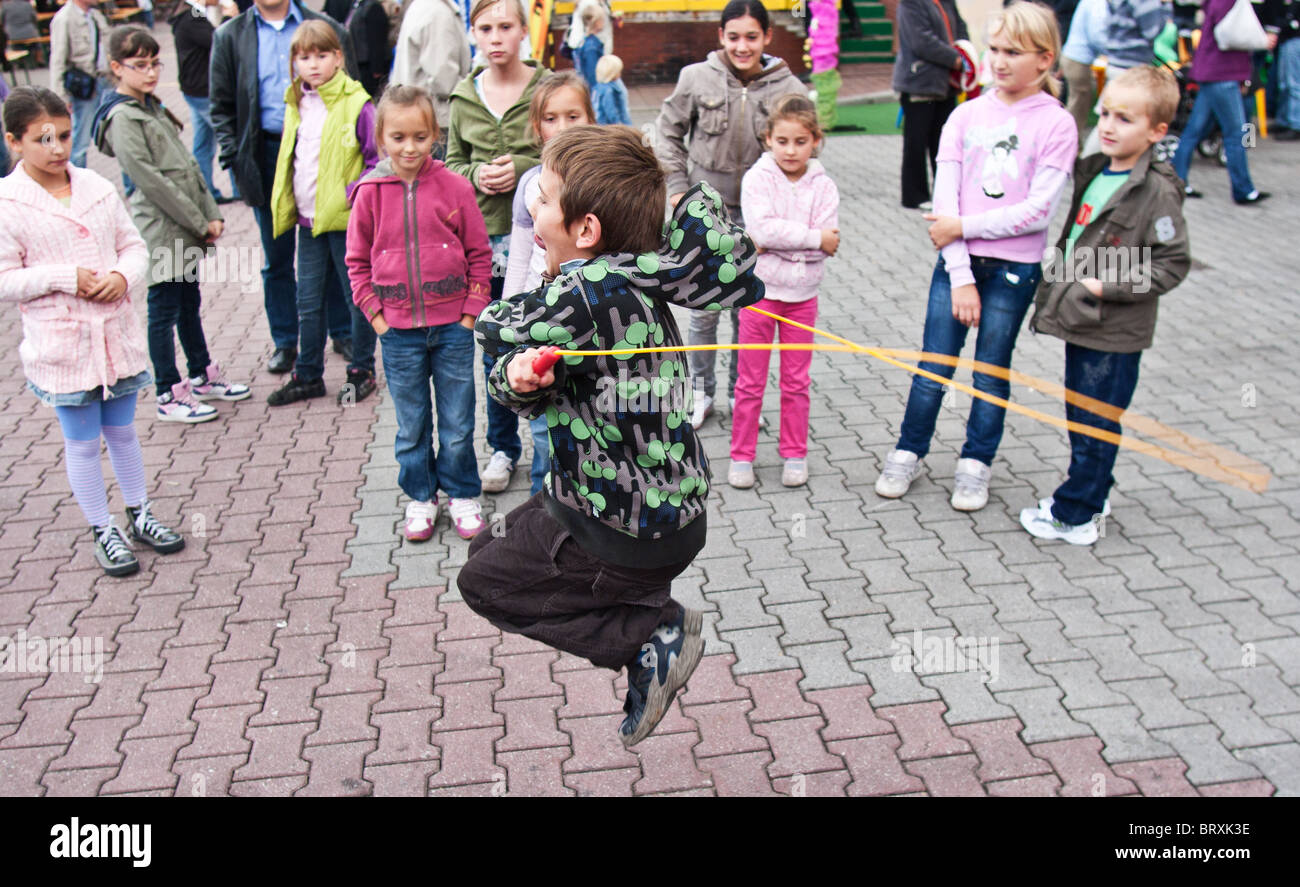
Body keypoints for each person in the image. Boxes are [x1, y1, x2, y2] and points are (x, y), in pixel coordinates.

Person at [461, 125, 765, 748]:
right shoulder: (633, 275)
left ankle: (651, 633)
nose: (531, 212)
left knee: (484, 585)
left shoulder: (585, 288)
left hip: (622, 528)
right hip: (658, 513)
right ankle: (646, 618)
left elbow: (497, 326)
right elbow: (536, 380)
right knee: (487, 552)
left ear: (586, 231)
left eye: (542, 200)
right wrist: (524, 382)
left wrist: (500, 341)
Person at [874, 1, 1077, 512]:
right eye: (995, 49)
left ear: (1045, 59)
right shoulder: (965, 114)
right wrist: (960, 273)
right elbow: (944, 202)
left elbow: (1035, 213)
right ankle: (908, 450)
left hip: (1015, 270)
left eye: (1014, 52)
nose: (1000, 61)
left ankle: (975, 464)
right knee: (933, 366)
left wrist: (963, 227)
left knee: (990, 371)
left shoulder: (1057, 125)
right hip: (957, 265)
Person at [0, 86, 185, 577]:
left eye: (63, 135)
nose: (58, 148)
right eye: (43, 139)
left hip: (114, 336)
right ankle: (103, 527)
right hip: (62, 344)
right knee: (82, 440)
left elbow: (134, 245)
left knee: (123, 432)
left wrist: (123, 276)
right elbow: (5, 279)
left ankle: (140, 512)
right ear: (14, 142)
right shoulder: (7, 203)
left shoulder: (95, 186)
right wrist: (65, 277)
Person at [1022, 66, 1189, 543]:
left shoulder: (1155, 190)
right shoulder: (1098, 170)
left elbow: (1171, 264)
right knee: (1084, 414)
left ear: (1157, 131)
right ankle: (1095, 489)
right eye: (1105, 114)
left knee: (1096, 419)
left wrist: (1101, 286)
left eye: (1125, 119)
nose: (1110, 126)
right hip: (1083, 321)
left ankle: (1076, 514)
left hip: (1113, 329)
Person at [346, 86, 492, 540]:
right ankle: (421, 497)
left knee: (457, 422)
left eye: (420, 136)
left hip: (452, 328)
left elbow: (480, 254)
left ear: (435, 136)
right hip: (398, 333)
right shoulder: (370, 193)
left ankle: (463, 493)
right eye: (398, 137)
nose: (409, 147)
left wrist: (469, 314)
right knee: (411, 425)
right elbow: (357, 264)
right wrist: (378, 319)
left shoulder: (455, 186)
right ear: (380, 139)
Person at [655, 0, 805, 430]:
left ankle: (745, 397)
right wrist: (678, 190)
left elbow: (804, 145)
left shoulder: (787, 86)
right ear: (721, 36)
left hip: (759, 221)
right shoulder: (695, 77)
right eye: (734, 36)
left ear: (767, 38)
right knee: (703, 312)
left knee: (749, 313)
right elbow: (667, 130)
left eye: (752, 37)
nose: (743, 46)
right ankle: (700, 392)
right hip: (704, 214)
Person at [92, 25, 251, 423]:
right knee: (164, 309)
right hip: (162, 228)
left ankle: (200, 373)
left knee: (187, 302)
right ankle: (167, 391)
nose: (150, 72)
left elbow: (186, 166)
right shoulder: (125, 118)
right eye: (140, 65)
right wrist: (200, 219)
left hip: (183, 225)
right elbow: (151, 180)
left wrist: (210, 210)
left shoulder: (150, 107)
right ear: (117, 67)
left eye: (155, 63)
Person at [209, 0, 358, 377]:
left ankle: (342, 332)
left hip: (323, 148)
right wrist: (234, 157)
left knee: (330, 251)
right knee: (277, 259)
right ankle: (286, 341)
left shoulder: (324, 26)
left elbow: (351, 92)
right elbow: (221, 104)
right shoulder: (230, 35)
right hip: (265, 151)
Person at [445, 0, 545, 494]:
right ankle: (504, 447)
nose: (496, 36)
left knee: (547, 342)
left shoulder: (546, 87)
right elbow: (449, 163)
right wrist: (476, 174)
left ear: (523, 31)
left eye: (506, 26)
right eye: (485, 28)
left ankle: (553, 449)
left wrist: (524, 163)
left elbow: (566, 142)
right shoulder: (463, 97)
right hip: (485, 243)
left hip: (544, 239)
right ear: (473, 34)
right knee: (495, 346)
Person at [267, 20, 379, 407]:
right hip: (308, 219)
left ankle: (361, 370)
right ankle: (308, 374)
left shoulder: (357, 102)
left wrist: (352, 194)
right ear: (294, 62)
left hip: (345, 221)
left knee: (355, 298)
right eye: (304, 57)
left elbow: (375, 159)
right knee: (308, 301)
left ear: (339, 57)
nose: (313, 64)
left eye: (322, 55)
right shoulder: (296, 100)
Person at [730, 94, 839, 490]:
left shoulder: (824, 185)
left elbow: (829, 235)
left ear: (815, 141)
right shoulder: (758, 178)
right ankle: (741, 455)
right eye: (782, 141)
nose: (790, 150)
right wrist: (813, 238)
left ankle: (795, 453)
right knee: (750, 382)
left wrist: (780, 238)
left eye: (800, 142)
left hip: (804, 296)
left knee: (796, 382)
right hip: (760, 295)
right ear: (768, 139)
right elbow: (761, 231)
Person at [502, 71, 595, 495]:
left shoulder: (601, 179)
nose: (562, 128)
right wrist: (506, 318)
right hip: (544, 314)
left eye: (573, 116)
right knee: (545, 420)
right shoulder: (529, 185)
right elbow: (520, 253)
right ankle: (547, 498)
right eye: (551, 118)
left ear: (590, 118)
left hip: (593, 315)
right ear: (537, 126)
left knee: (588, 410)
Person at [1172, 0, 1274, 203]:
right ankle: (1243, 190)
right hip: (1223, 74)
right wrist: (1261, 40)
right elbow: (1230, 35)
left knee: (1194, 131)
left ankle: (1177, 182)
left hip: (1212, 73)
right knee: (1237, 133)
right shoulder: (1226, 2)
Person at [892, 0, 969, 210]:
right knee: (916, 141)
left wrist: (965, 51)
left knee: (944, 141)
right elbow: (921, 41)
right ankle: (914, 196)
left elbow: (960, 27)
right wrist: (954, 59)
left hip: (946, 84)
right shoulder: (911, 3)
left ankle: (944, 192)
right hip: (919, 81)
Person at [171, 0, 236, 203]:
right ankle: (240, 188)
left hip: (195, 88)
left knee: (203, 143)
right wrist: (228, 17)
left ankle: (207, 191)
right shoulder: (193, 16)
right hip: (202, 90)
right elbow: (218, 42)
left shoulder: (190, 13)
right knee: (229, 135)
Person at [389, 0, 473, 156]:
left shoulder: (422, 6)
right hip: (437, 123)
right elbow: (444, 81)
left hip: (418, 117)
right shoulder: (437, 13)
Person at [49, 0, 111, 169]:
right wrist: (60, 95)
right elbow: (58, 60)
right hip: (84, 86)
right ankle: (75, 181)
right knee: (80, 141)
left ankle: (131, 188)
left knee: (118, 132)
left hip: (105, 80)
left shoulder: (95, 15)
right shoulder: (64, 19)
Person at [1060, 0, 1108, 146]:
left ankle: (1072, 140)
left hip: (1073, 56)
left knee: (1077, 101)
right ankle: (1068, 141)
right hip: (1078, 60)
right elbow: (1096, 35)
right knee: (1078, 104)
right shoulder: (1097, 4)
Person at [323, 0, 392, 98]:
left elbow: (376, 40)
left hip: (369, 69)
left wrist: (377, 70)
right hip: (359, 64)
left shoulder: (373, 7)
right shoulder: (357, 5)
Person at [1265, 0, 1300, 140]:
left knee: (1293, 84)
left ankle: (1295, 124)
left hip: (1295, 39)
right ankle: (1284, 120)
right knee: (1284, 83)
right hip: (1286, 39)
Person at [592, 54, 631, 126]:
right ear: (611, 73)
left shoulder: (599, 87)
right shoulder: (608, 90)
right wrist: (618, 124)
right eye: (618, 72)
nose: (620, 74)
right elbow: (610, 111)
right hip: (609, 125)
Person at [574, 2, 605, 89]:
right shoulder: (591, 47)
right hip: (592, 92)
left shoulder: (585, 40)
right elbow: (592, 76)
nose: (604, 21)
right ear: (596, 22)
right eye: (602, 19)